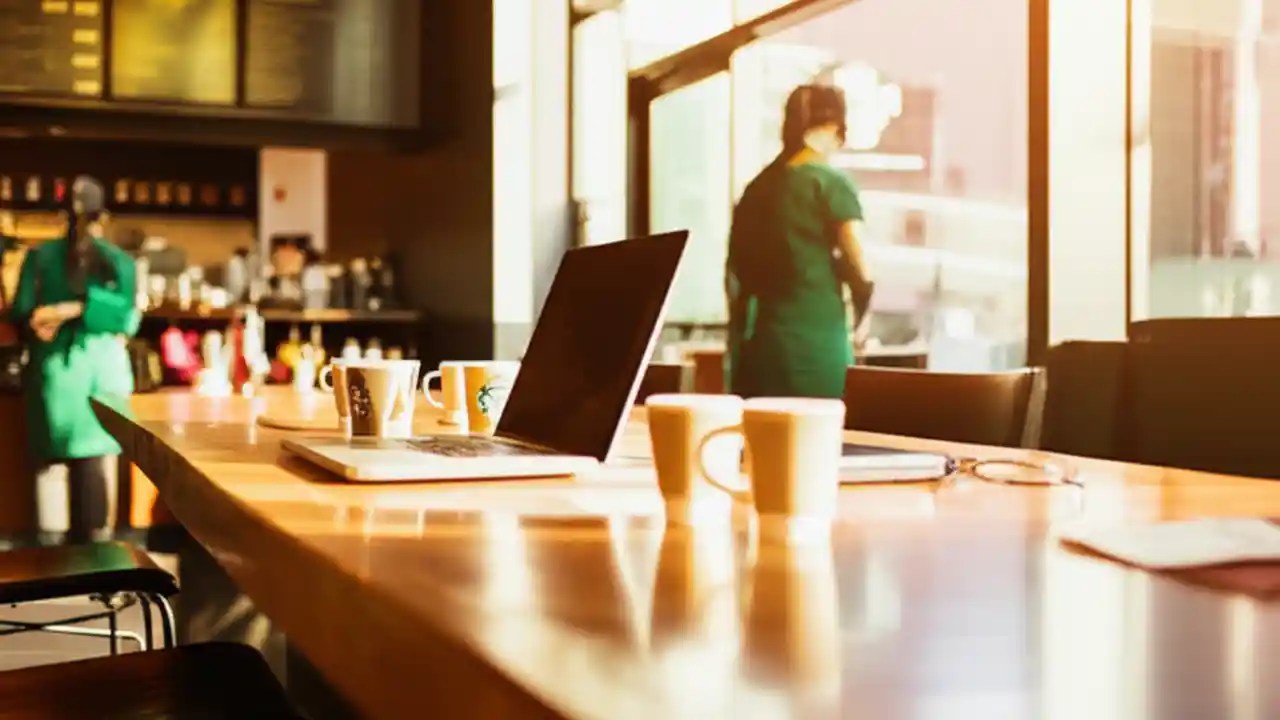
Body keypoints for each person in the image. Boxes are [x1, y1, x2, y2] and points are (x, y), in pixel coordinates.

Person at [11, 176, 139, 543]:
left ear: (61, 216)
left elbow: (21, 310)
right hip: (103, 375)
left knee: (51, 470)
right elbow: (126, 319)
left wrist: (50, 315)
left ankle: (51, 572)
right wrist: (83, 310)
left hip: (56, 375)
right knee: (97, 468)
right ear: (105, 217)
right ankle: (99, 568)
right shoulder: (119, 262)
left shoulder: (38, 257)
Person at [725, 84, 873, 399]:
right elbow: (861, 266)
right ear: (835, 128)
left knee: (760, 444)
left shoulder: (755, 190)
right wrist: (863, 311)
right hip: (817, 348)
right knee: (819, 441)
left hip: (760, 351)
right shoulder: (829, 183)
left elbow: (734, 277)